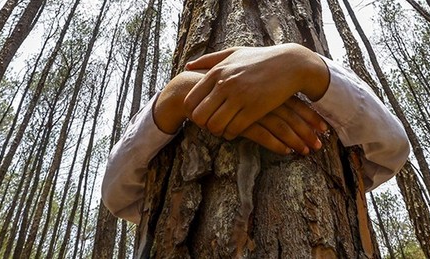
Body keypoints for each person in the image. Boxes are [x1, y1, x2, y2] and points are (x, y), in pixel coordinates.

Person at [102, 43, 410, 223]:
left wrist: (304, 65)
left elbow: (390, 147)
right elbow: (118, 195)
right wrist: (174, 97)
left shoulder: (327, 84)